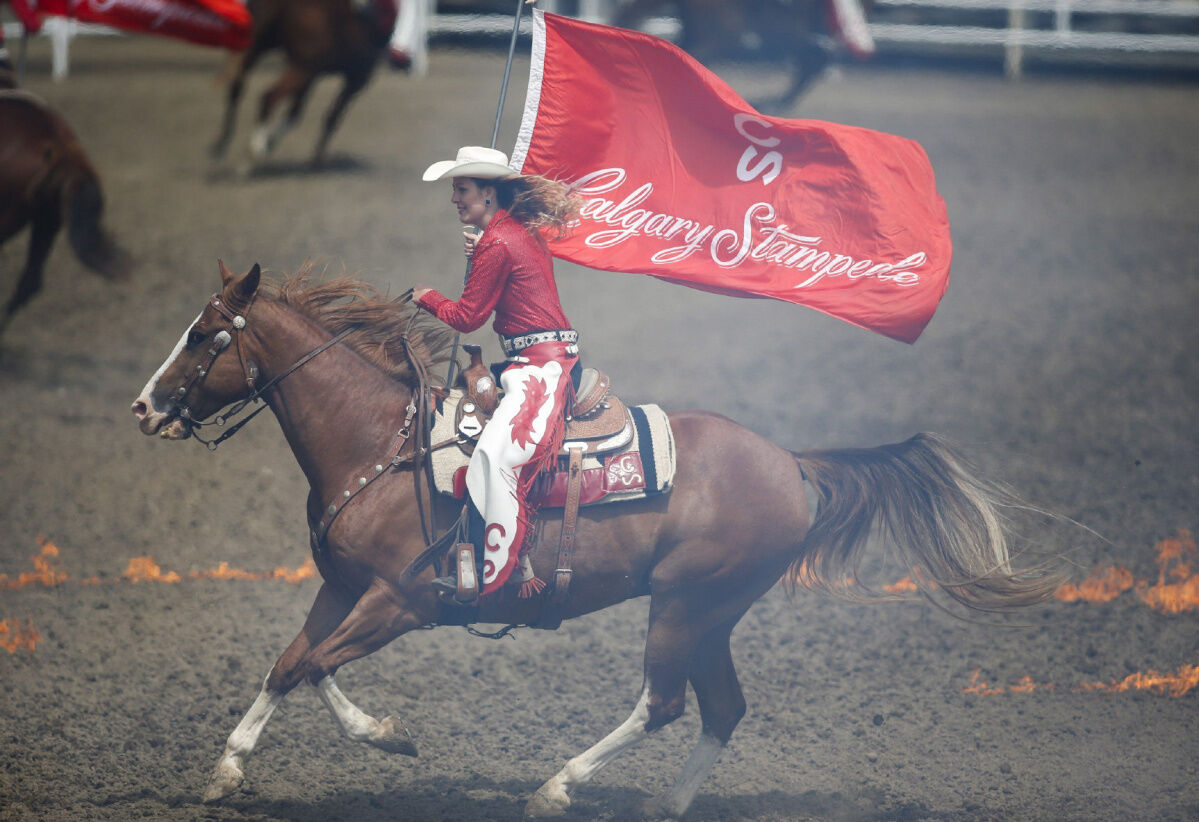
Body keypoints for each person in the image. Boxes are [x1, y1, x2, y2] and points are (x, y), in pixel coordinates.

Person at [413, 145, 581, 602]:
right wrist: (482, 244)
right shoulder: (509, 234)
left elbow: (468, 317)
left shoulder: (500, 240)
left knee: (494, 457)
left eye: (461, 189)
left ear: (488, 193)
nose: (454, 199)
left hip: (544, 366)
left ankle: (496, 573)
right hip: (533, 361)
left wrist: (426, 296)